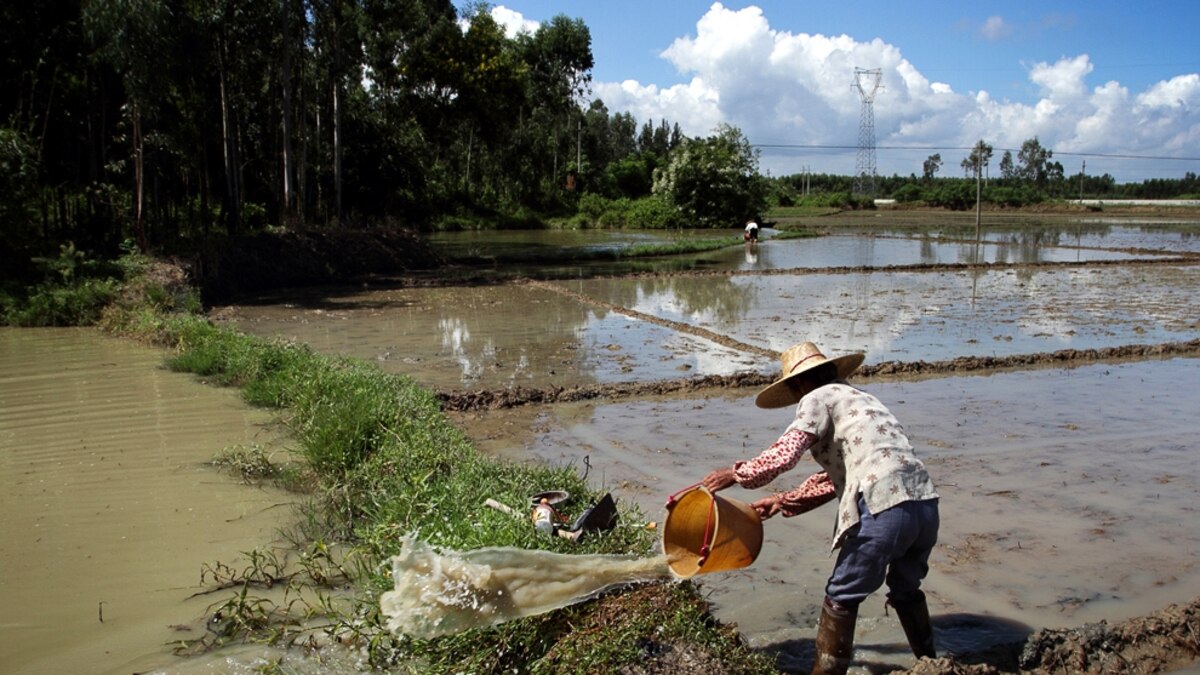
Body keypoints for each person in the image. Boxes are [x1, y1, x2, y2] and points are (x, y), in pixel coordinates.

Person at [700, 341, 940, 675]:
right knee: (905, 589)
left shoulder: (817, 398)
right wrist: (782, 500)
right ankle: (932, 662)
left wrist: (736, 473)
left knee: (840, 595)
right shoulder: (863, 399)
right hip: (924, 504)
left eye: (794, 390)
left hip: (882, 507)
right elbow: (842, 478)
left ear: (798, 384)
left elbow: (785, 453)